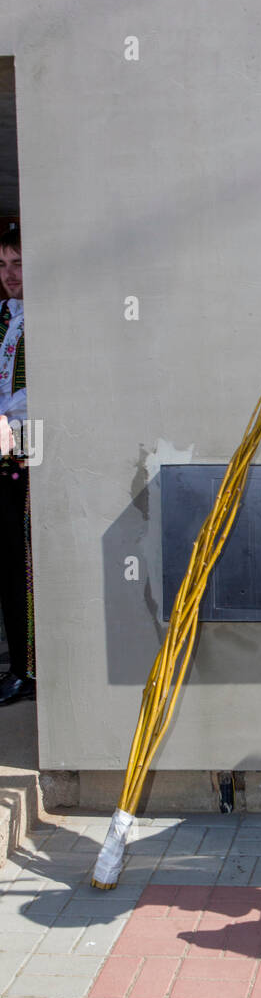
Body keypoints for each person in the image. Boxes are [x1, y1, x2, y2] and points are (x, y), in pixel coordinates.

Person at [0, 226, 35, 705]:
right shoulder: (2, 315)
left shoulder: (45, 318)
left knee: (28, 563)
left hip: (30, 447)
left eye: (18, 264)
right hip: (3, 445)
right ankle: (18, 667)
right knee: (9, 562)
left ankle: (30, 670)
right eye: (3, 265)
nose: (9, 275)